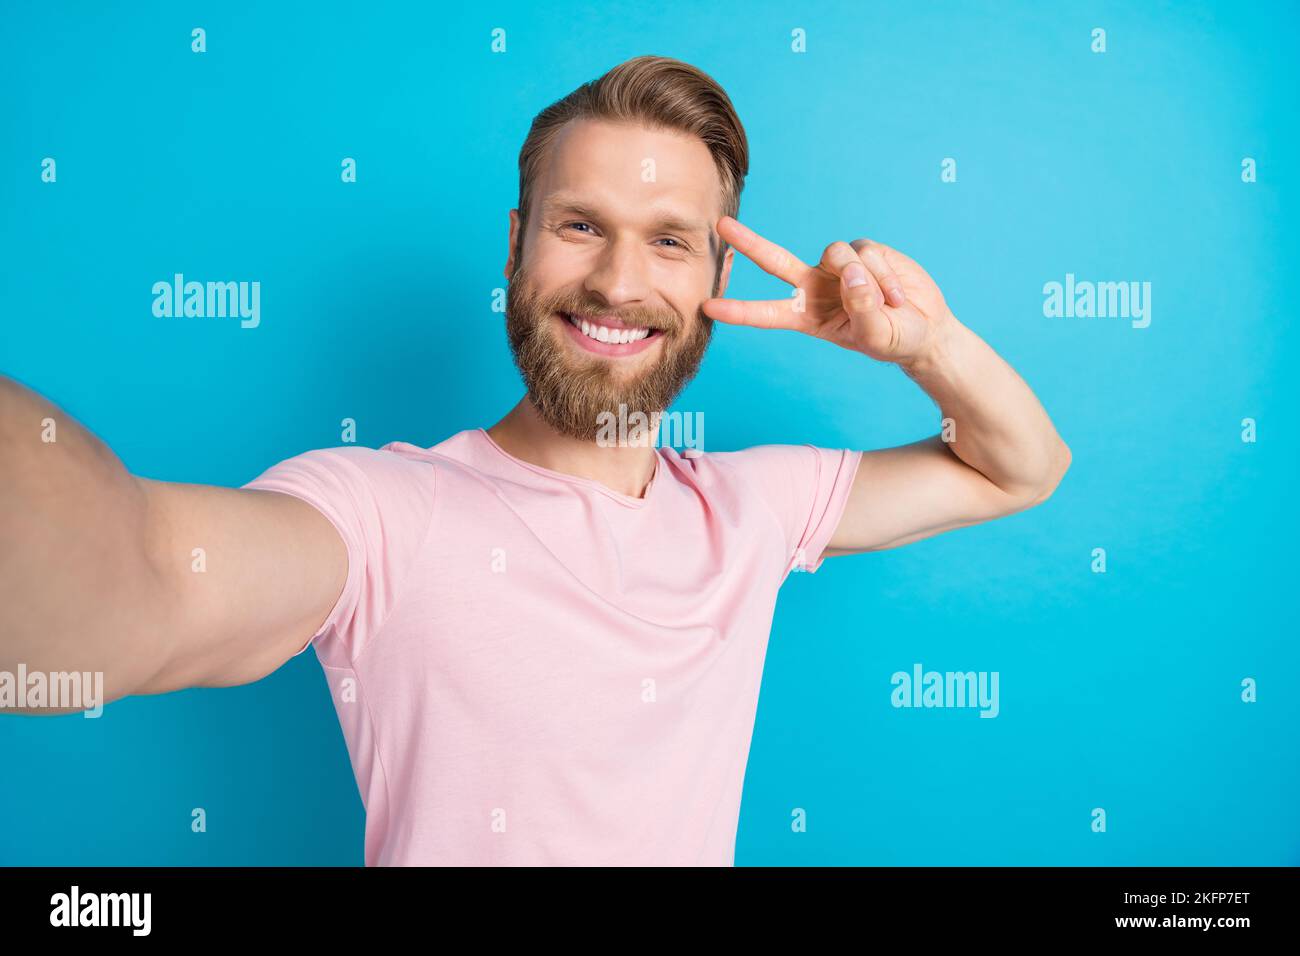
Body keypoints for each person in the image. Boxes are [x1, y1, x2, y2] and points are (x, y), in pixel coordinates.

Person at [0, 55, 1070, 865]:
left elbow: (1017, 466)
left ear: (716, 271)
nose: (616, 281)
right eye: (579, 225)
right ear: (514, 244)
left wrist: (924, 345)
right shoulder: (383, 511)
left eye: (668, 239)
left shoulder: (750, 507)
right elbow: (143, 579)